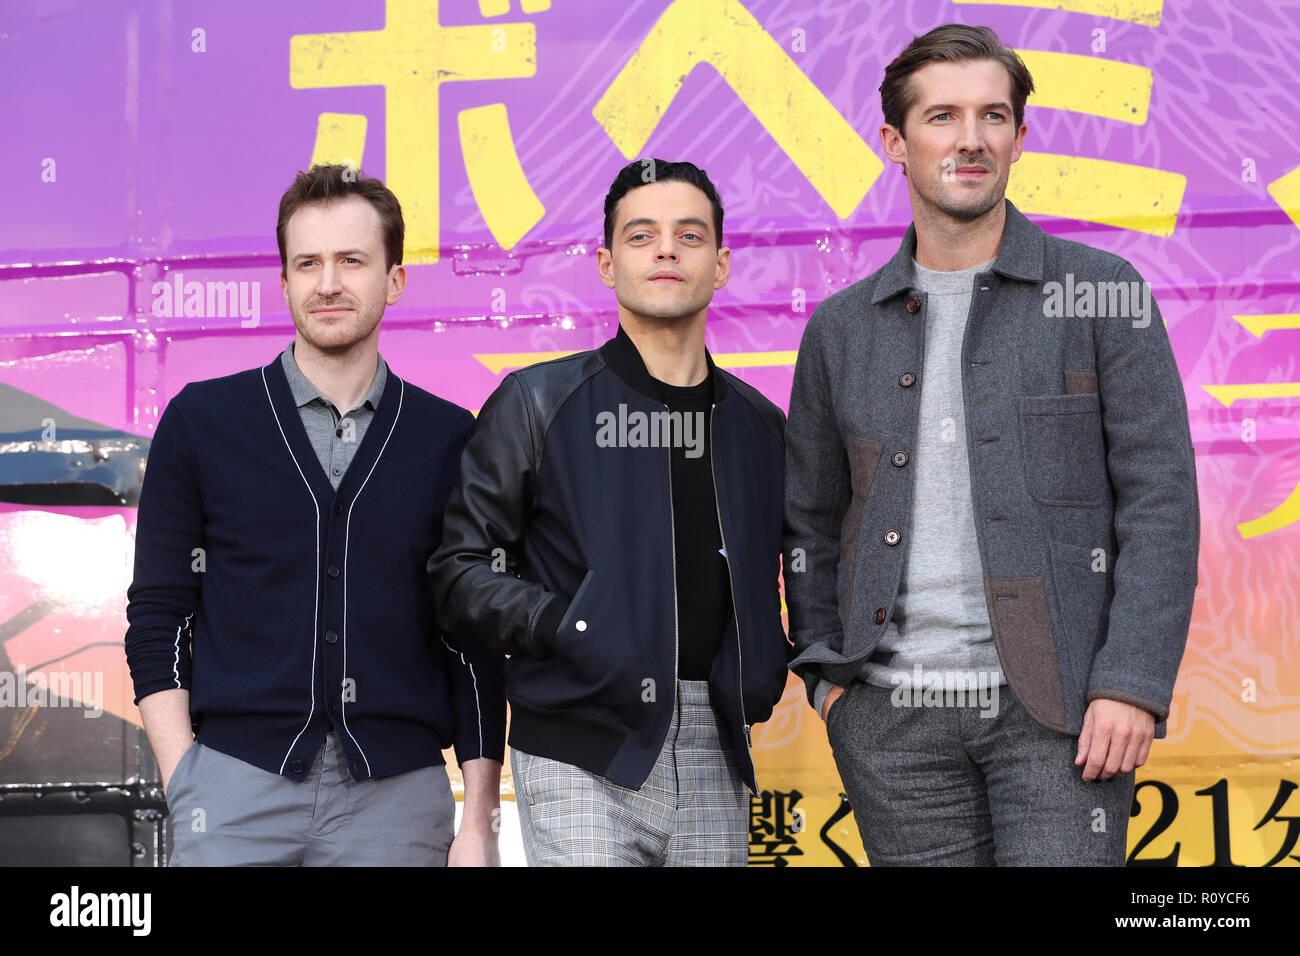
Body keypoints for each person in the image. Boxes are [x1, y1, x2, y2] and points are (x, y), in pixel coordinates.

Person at [784, 24, 1199, 866]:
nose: (970, 139)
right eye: (942, 116)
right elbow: (810, 521)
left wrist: (1131, 684)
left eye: (993, 116)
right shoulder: (840, 329)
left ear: (1018, 136)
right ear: (896, 143)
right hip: (890, 726)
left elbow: (1162, 501)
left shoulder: (1100, 293)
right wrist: (831, 683)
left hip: (1062, 716)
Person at [125, 164, 505, 866]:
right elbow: (160, 615)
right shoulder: (203, 423)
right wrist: (188, 780)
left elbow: (473, 644)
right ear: (285, 282)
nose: (328, 283)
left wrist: (480, 820)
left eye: (352, 261)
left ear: (394, 281)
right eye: (308, 263)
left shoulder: (451, 438)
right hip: (234, 787)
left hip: (398, 797)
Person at [430, 159, 789, 866]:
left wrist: (769, 669)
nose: (665, 250)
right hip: (579, 739)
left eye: (689, 236)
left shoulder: (761, 428)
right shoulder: (538, 402)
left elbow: (803, 571)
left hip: (720, 747)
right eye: (641, 234)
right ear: (606, 262)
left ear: (719, 265)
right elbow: (459, 571)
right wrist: (569, 624)